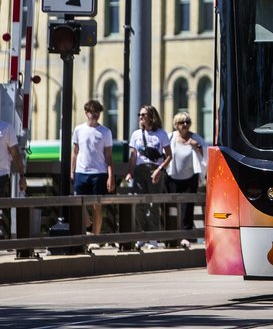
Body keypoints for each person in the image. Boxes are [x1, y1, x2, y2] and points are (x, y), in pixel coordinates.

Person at [125, 105, 172, 249]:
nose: (140, 117)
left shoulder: (161, 134)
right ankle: (143, 233)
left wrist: (159, 170)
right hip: (140, 170)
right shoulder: (136, 134)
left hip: (155, 169)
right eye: (139, 115)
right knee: (138, 203)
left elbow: (169, 156)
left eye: (144, 115)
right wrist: (130, 172)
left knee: (153, 204)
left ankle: (153, 237)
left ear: (152, 117)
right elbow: (133, 156)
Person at [71, 100, 114, 236]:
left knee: (97, 206)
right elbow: (75, 152)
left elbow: (108, 155)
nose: (95, 115)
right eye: (92, 112)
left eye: (98, 112)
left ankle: (96, 236)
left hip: (99, 172)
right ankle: (88, 224)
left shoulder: (105, 132)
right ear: (86, 113)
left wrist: (110, 175)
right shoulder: (78, 129)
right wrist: (71, 171)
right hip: (81, 171)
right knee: (78, 202)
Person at [166, 111, 207, 248]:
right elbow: (163, 153)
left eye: (187, 122)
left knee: (187, 207)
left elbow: (206, 155)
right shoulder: (170, 137)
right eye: (181, 122)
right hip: (172, 177)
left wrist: (197, 146)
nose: (185, 125)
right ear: (176, 124)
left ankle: (185, 236)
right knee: (172, 207)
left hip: (190, 178)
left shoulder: (196, 138)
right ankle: (171, 235)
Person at [0, 119, 25, 239]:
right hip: (3, 177)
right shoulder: (6, 128)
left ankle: (5, 240)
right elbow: (15, 154)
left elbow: (15, 154)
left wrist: (22, 176)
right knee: (4, 210)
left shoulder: (6, 128)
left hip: (2, 177)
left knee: (4, 211)